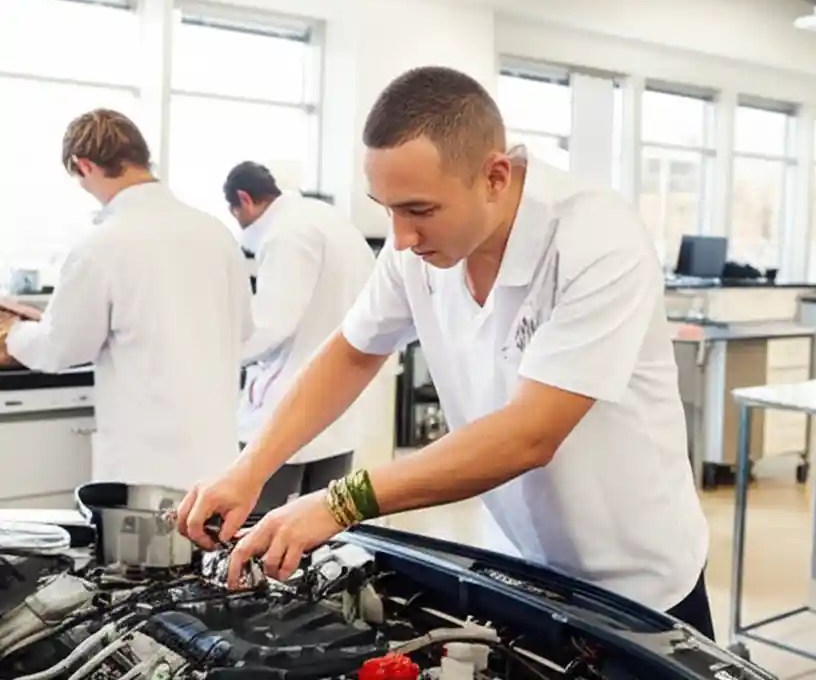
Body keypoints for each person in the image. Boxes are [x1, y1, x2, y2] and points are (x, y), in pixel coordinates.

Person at [176, 67, 713, 638]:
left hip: (638, 582)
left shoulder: (596, 239)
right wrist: (249, 470)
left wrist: (339, 503)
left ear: (495, 177)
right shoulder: (414, 251)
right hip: (519, 566)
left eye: (419, 211)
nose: (401, 237)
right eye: (387, 209)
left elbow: (530, 434)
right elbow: (353, 352)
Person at [0, 109, 251, 490]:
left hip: (146, 469)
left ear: (84, 166)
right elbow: (242, 327)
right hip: (216, 459)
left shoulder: (103, 244)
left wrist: (15, 330)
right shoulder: (217, 233)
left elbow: (60, 348)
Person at [224, 162, 378, 514]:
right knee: (325, 520)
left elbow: (271, 323)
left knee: (255, 520)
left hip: (286, 402)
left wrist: (222, 354)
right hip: (337, 407)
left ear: (244, 200)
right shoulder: (328, 219)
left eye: (237, 216)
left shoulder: (285, 233)